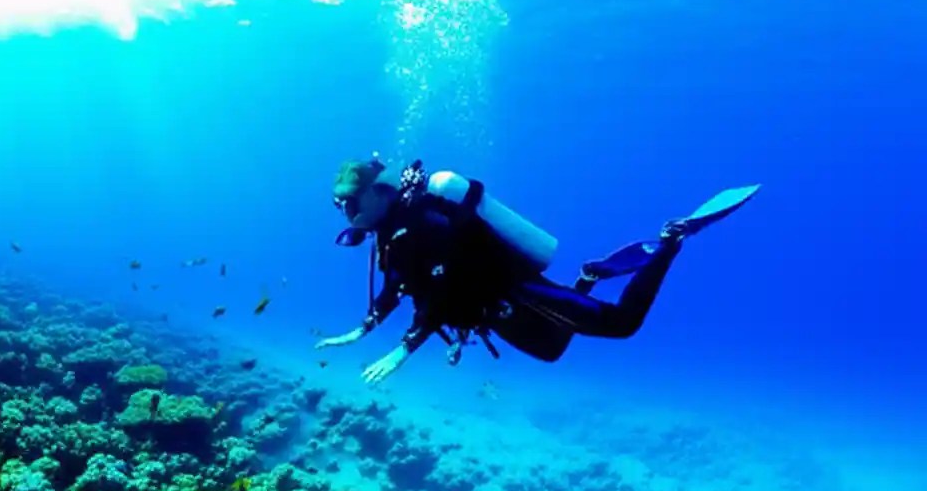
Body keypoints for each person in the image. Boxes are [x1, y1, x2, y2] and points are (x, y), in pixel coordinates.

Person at [316, 157, 760, 384]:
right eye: (339, 203)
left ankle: (671, 240)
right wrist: (364, 327)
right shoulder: (391, 231)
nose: (344, 210)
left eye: (348, 202)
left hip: (514, 292)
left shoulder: (423, 224)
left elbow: (444, 288)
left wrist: (403, 350)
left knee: (622, 325)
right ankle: (588, 277)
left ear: (378, 192)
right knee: (552, 351)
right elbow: (399, 282)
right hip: (490, 310)